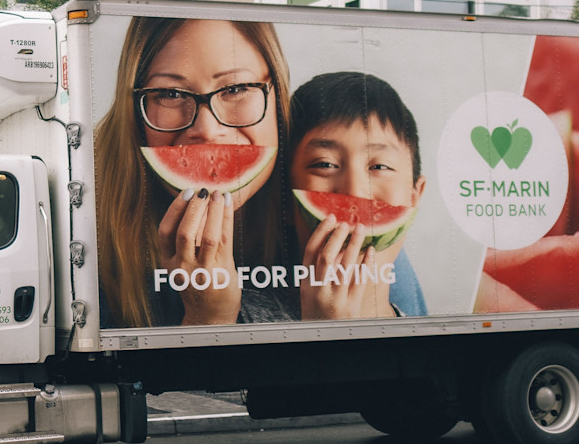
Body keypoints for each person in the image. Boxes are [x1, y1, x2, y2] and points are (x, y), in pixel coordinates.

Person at [94, 17, 295, 328]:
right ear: (133, 110)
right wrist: (209, 319)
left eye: (235, 88)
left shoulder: (328, 213)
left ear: (277, 92)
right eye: (171, 94)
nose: (207, 130)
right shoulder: (90, 242)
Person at [282, 71, 429, 321]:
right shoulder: (241, 319)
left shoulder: (429, 339)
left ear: (415, 197)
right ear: (284, 199)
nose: (354, 192)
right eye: (325, 164)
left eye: (379, 166)